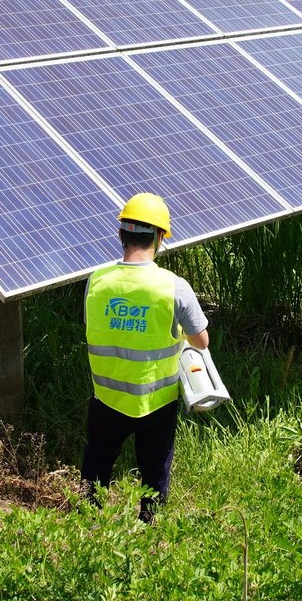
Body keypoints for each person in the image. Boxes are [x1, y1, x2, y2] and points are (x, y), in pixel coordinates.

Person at [81, 192, 209, 522]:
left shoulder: (96, 281)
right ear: (160, 237)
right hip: (156, 400)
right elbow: (201, 341)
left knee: (98, 459)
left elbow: (94, 325)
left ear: (120, 234)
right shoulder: (174, 287)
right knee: (154, 467)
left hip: (107, 396)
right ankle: (148, 526)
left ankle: (88, 520)